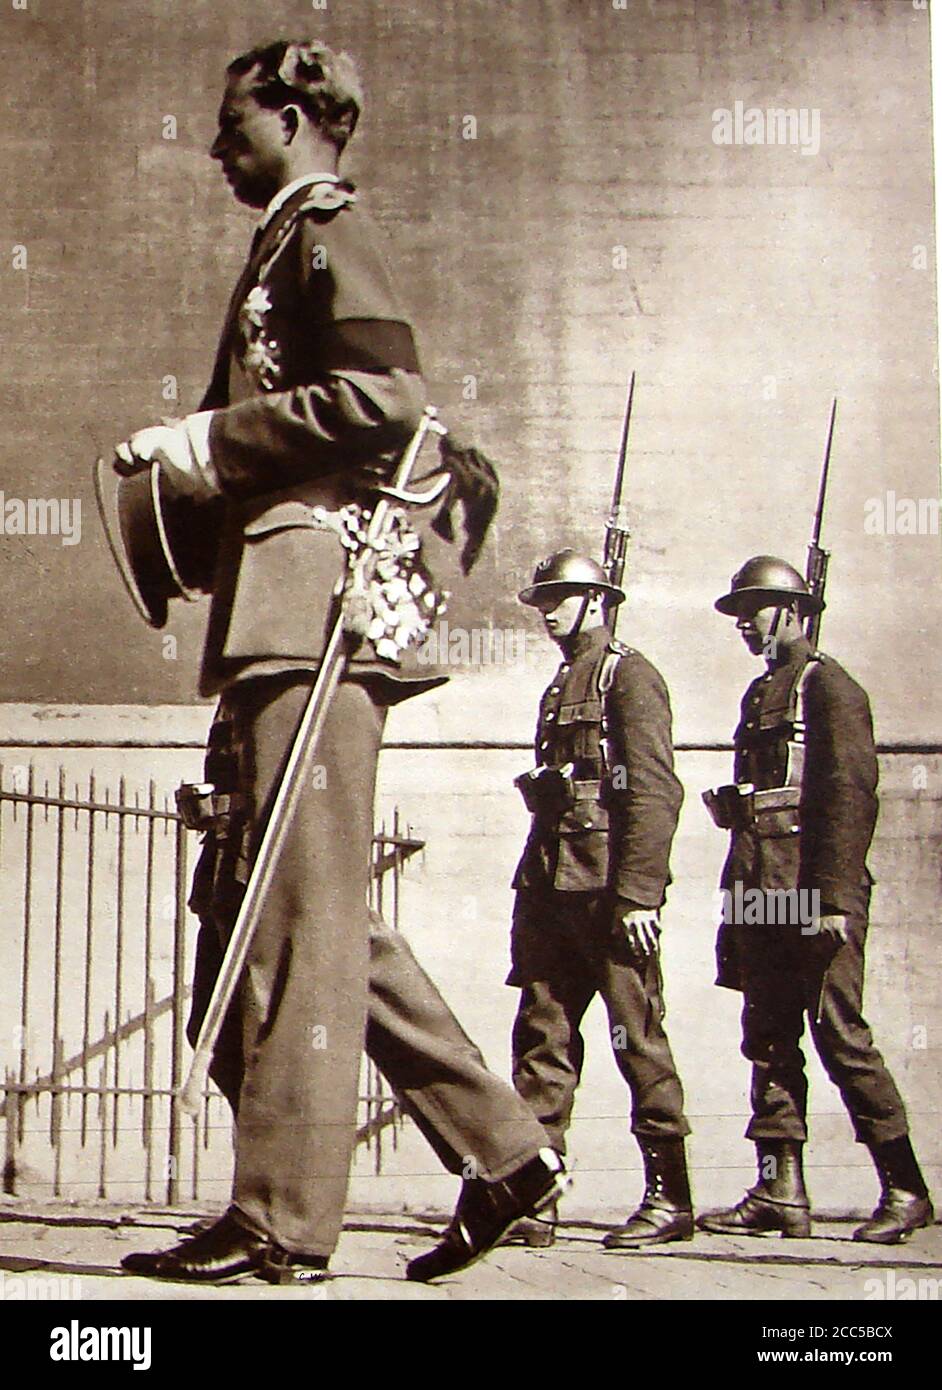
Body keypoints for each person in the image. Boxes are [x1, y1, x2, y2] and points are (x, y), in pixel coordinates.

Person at [113, 38, 565, 1287]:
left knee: (297, 921)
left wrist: (209, 436)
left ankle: (282, 1225)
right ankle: (507, 1153)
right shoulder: (283, 238)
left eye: (232, 121)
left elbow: (386, 399)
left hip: (318, 618)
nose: (216, 146)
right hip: (278, 617)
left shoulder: (324, 230)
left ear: (300, 117)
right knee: (312, 914)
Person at [699, 556, 933, 1243]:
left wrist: (832, 898)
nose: (744, 624)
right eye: (740, 612)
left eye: (757, 609)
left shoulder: (830, 689)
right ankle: (779, 1190)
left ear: (796, 612)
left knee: (840, 1036)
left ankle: (907, 1187)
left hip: (812, 896)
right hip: (759, 889)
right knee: (767, 1036)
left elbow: (850, 797)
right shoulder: (761, 692)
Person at [504, 549, 693, 1249]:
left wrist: (641, 896)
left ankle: (671, 1200)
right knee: (543, 1040)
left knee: (638, 1040)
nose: (549, 612)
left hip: (611, 895)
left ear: (598, 600)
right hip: (553, 889)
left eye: (562, 598)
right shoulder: (559, 685)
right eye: (544, 599)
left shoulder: (630, 676)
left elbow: (654, 791)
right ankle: (537, 1195)